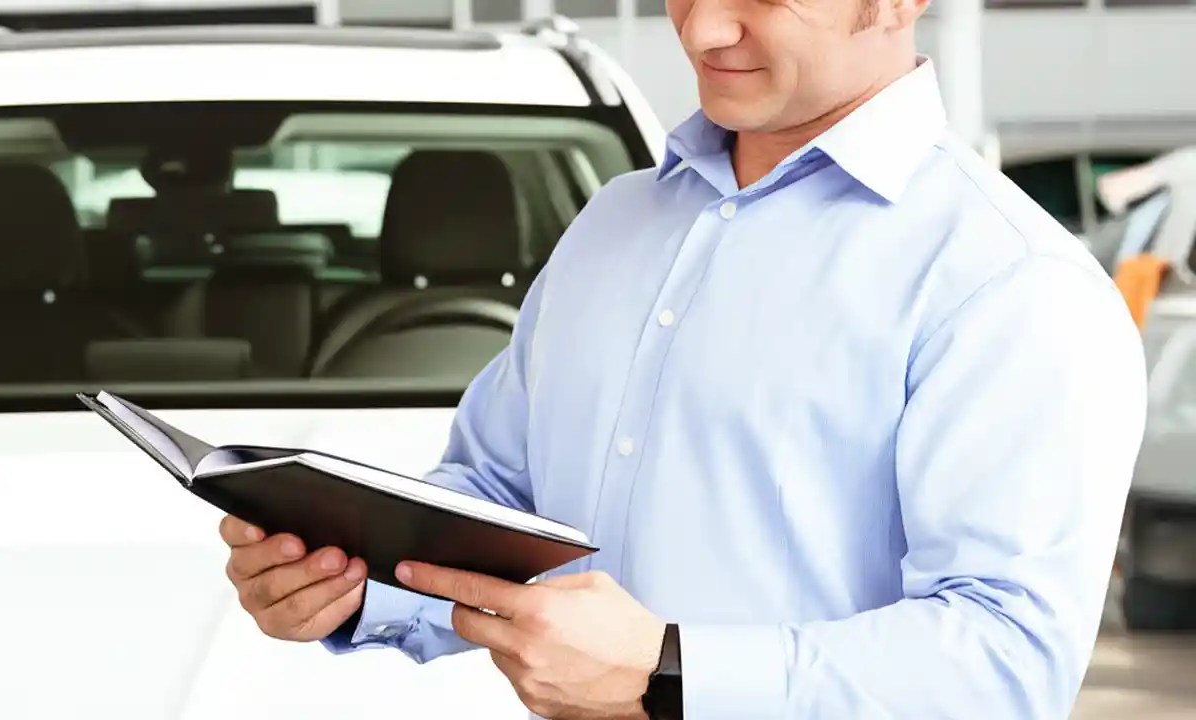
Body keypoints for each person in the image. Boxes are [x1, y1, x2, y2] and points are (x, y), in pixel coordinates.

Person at [219, 1, 1148, 718]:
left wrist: (669, 669)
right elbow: (501, 500)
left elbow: (1007, 658)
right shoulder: (615, 223)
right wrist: (352, 584)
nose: (704, 27)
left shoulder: (1005, 280)